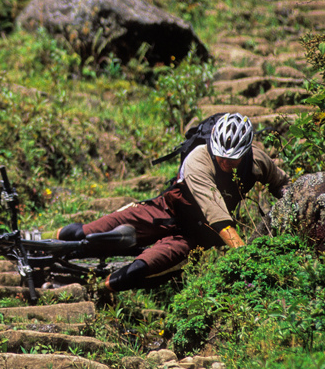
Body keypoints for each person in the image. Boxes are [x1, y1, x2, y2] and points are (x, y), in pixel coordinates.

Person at [54, 113, 289, 292]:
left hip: (192, 238)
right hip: (163, 211)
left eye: (233, 160)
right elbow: (218, 217)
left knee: (137, 271)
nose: (225, 163)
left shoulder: (258, 161)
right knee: (87, 233)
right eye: (221, 157)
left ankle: (92, 291)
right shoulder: (198, 160)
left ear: (245, 153)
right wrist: (246, 257)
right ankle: (41, 240)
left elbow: (281, 183)